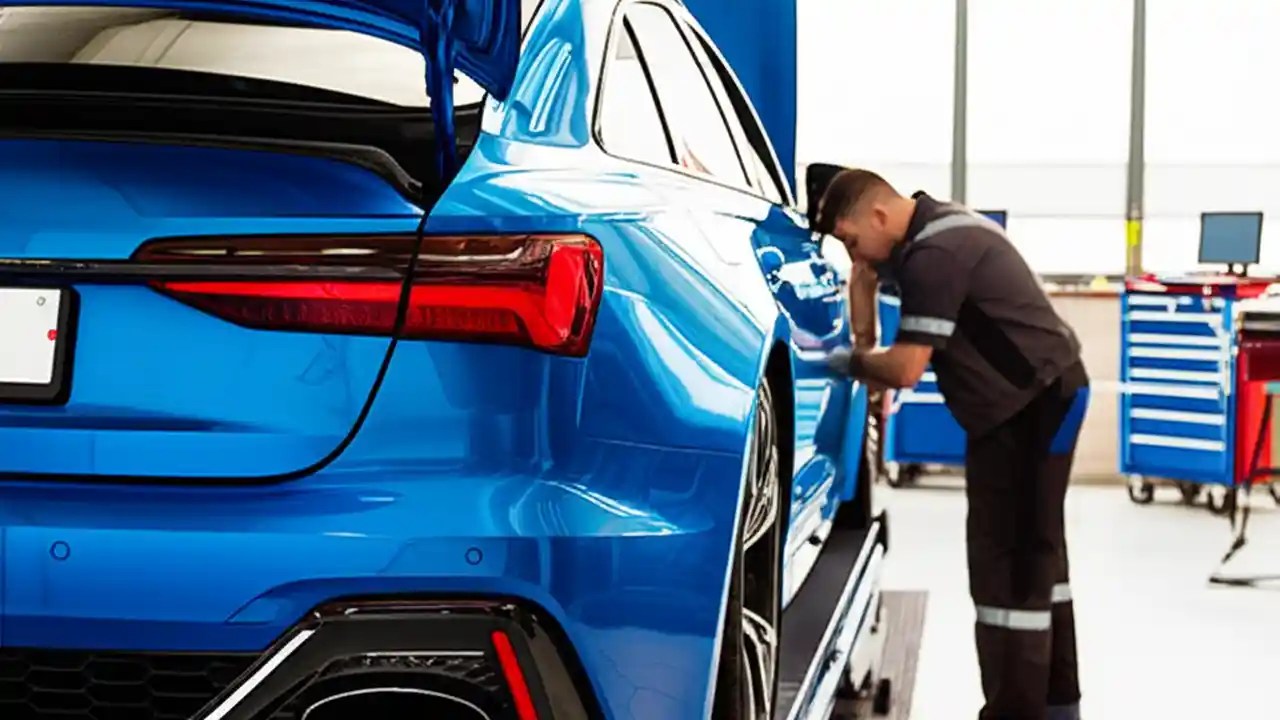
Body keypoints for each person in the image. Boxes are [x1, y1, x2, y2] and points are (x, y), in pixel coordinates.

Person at [814, 168, 1090, 720]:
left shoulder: (934, 255)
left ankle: (1016, 712)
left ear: (878, 216)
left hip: (1030, 410)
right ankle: (1059, 707)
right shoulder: (928, 234)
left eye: (850, 241)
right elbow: (880, 352)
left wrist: (840, 361)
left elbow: (903, 369)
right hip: (1040, 398)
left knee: (1007, 567)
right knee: (1039, 559)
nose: (852, 256)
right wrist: (862, 284)